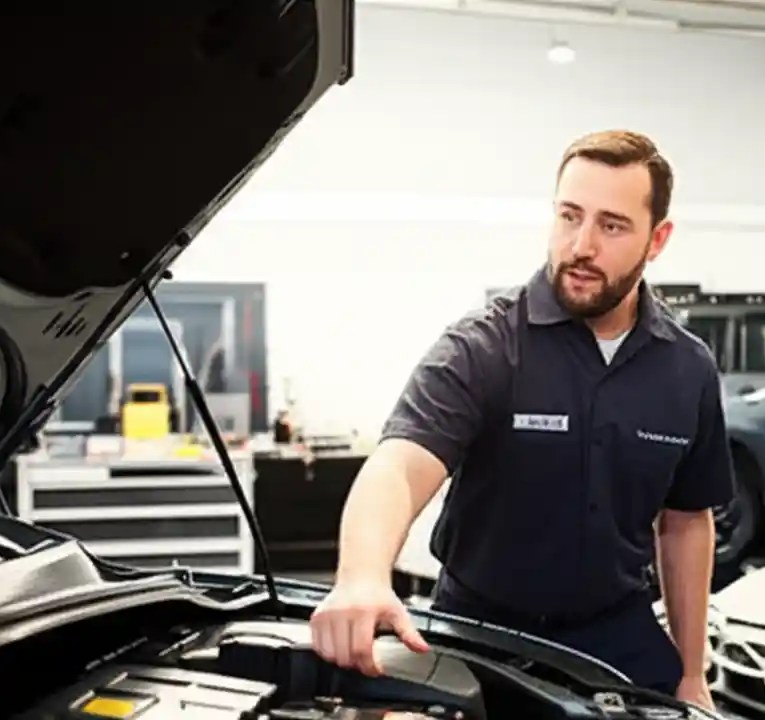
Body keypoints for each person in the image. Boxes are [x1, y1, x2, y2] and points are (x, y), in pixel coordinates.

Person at [308, 129, 735, 708]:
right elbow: (402, 466)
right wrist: (361, 574)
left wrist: (690, 672)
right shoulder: (484, 346)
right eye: (569, 216)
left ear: (657, 239)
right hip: (485, 629)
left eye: (611, 225)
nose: (581, 245)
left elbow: (686, 521)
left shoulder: (687, 369)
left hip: (616, 633)